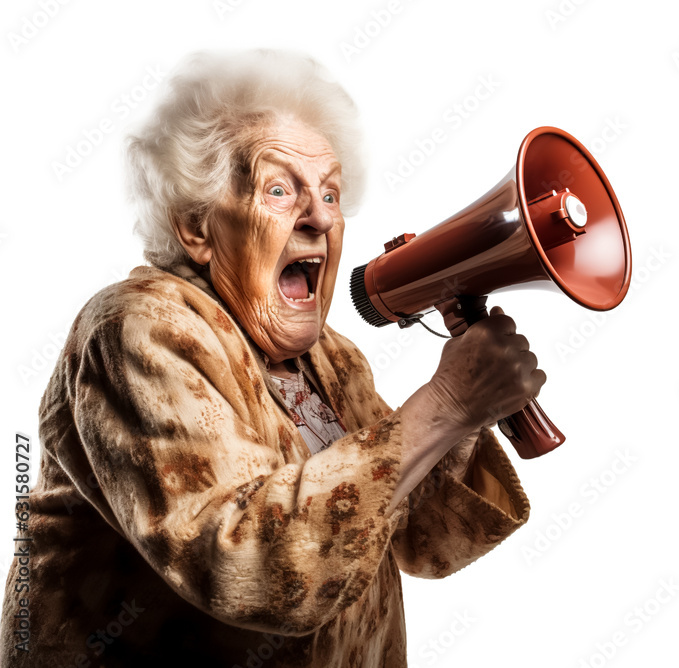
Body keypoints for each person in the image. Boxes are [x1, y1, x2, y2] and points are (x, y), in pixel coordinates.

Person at [1, 49, 542, 667]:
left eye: (331, 192)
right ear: (196, 227)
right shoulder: (139, 328)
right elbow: (244, 566)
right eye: (280, 189)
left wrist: (467, 412)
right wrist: (446, 403)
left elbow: (428, 540)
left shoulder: (333, 359)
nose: (321, 217)